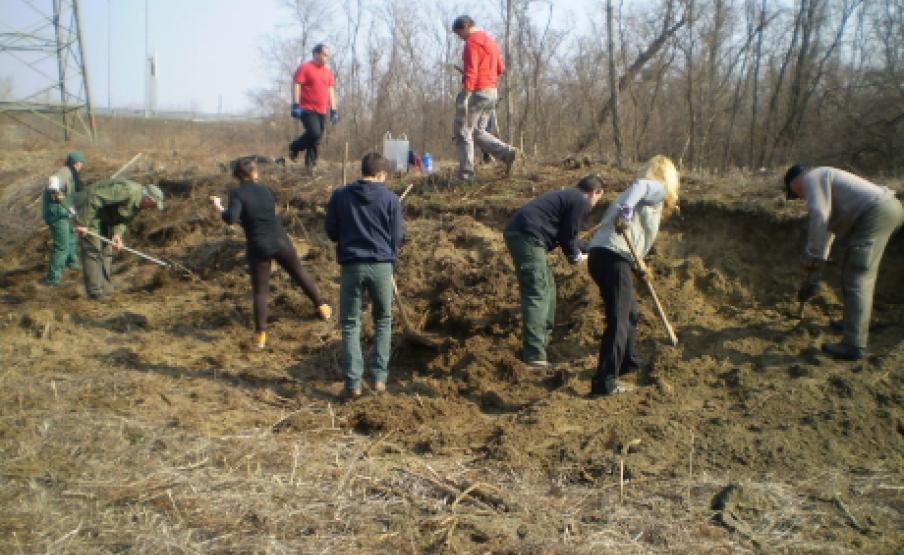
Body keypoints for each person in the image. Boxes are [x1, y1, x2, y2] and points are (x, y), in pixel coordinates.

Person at [785, 164, 904, 360]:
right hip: (885, 210)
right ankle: (853, 323)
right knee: (854, 272)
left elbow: (819, 215)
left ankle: (853, 344)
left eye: (796, 194)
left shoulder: (812, 178)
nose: (801, 199)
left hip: (876, 212)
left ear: (795, 183)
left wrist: (811, 254)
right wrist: (815, 271)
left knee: (857, 275)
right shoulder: (826, 184)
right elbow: (826, 233)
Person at [212, 159, 331, 350]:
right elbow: (264, 213)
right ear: (253, 173)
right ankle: (323, 308)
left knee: (261, 291)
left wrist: (219, 208)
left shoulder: (237, 193)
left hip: (259, 246)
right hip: (280, 240)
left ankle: (261, 337)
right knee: (299, 273)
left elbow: (232, 218)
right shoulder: (266, 190)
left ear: (238, 176)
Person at [587, 155, 680, 397]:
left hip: (604, 255)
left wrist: (639, 267)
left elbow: (634, 238)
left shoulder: (634, 197)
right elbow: (640, 186)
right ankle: (605, 382)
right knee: (619, 319)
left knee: (630, 314)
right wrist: (627, 211)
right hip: (613, 256)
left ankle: (629, 361)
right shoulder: (656, 188)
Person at [325, 153, 404, 401]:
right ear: (381, 174)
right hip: (381, 266)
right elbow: (397, 237)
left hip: (351, 266)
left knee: (350, 324)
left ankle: (353, 384)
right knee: (383, 320)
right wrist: (388, 256)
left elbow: (331, 231)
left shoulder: (340, 195)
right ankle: (379, 379)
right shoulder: (391, 199)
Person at [504, 175, 605, 367]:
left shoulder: (570, 197)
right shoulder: (581, 201)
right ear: (595, 192)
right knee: (538, 292)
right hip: (528, 237)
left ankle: (541, 346)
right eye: (598, 199)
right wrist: (575, 257)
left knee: (549, 290)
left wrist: (593, 248)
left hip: (527, 235)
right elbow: (568, 239)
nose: (595, 205)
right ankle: (534, 355)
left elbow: (568, 237)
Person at [451, 15, 520, 182]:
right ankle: (508, 154)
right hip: (492, 92)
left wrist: (466, 93)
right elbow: (500, 68)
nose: (460, 38)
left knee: (463, 131)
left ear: (466, 26)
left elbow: (472, 71)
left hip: (477, 92)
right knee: (477, 132)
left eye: (459, 33)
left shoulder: (472, 43)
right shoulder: (490, 41)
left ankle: (466, 176)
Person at [73, 178, 166, 300]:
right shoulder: (127, 191)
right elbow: (95, 197)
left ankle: (106, 289)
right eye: (153, 205)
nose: (151, 208)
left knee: (107, 251)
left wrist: (117, 234)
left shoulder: (139, 204)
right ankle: (95, 292)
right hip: (89, 211)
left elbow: (124, 220)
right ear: (148, 199)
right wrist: (82, 222)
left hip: (103, 219)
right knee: (93, 250)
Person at [289, 43, 339, 172]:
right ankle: (295, 147)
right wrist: (296, 105)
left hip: (322, 110)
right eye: (324, 55)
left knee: (317, 138)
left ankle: (310, 167)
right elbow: (297, 84)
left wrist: (333, 110)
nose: (326, 58)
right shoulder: (305, 68)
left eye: (328, 56)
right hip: (307, 108)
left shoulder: (328, 72)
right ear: (316, 54)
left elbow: (330, 90)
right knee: (314, 132)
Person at [41, 151, 86, 285]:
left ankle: (72, 262)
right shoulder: (63, 173)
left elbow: (75, 191)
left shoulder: (72, 174)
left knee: (72, 235)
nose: (82, 166)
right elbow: (53, 187)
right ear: (77, 164)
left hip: (64, 213)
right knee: (62, 246)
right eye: (81, 164)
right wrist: (67, 205)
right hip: (57, 214)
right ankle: (53, 278)